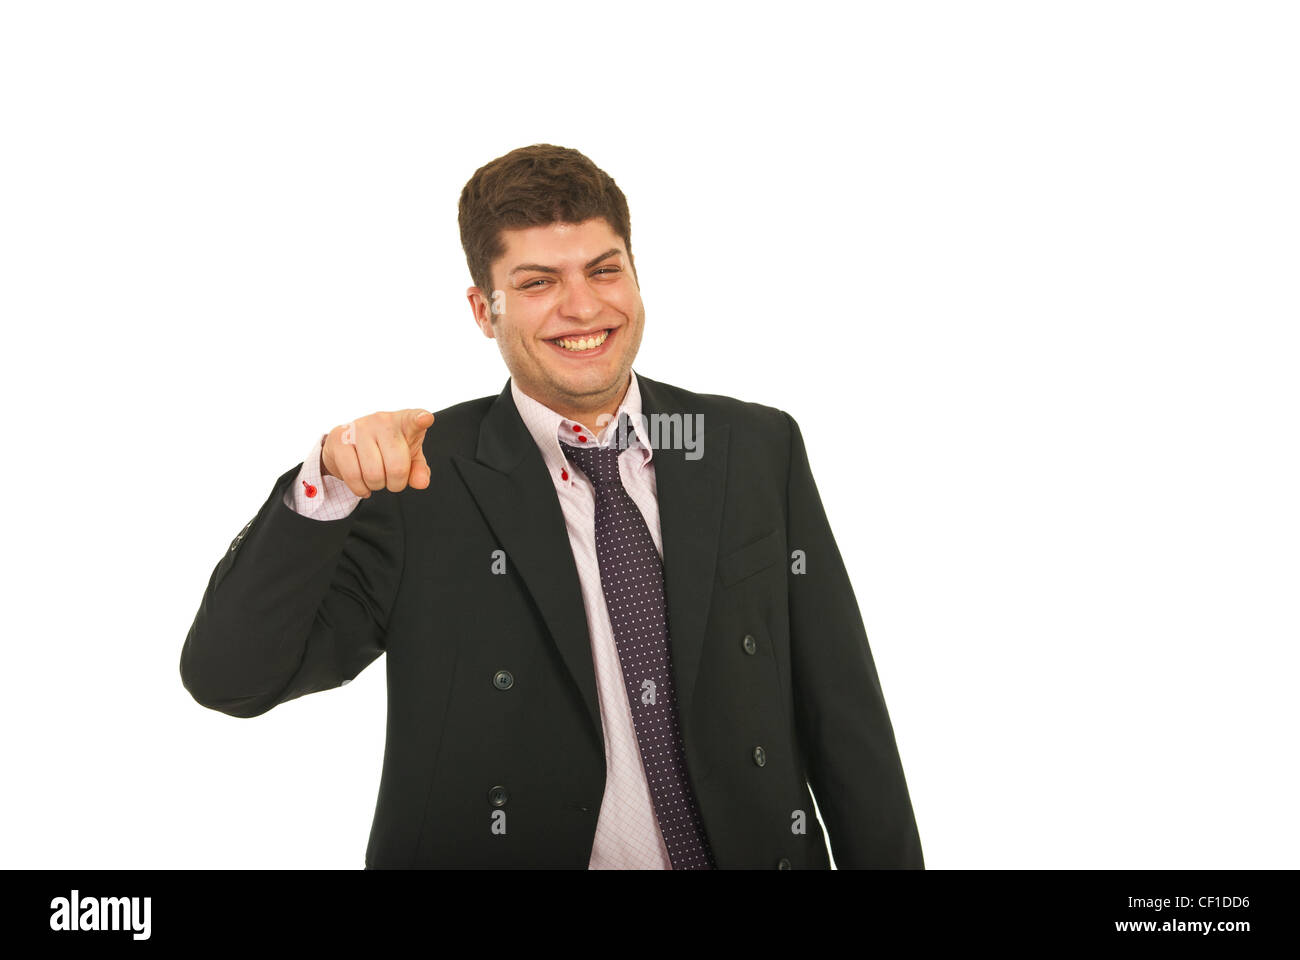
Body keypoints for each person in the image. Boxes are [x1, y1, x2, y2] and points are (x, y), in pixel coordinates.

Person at [180, 143, 923, 869]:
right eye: (537, 283)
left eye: (605, 270)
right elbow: (231, 679)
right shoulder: (418, 478)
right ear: (483, 308)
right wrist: (324, 490)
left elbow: (844, 716)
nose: (583, 307)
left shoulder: (751, 445)